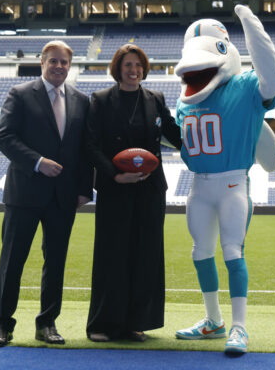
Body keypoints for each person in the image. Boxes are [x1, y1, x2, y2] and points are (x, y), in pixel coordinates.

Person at [173, 6, 275, 355]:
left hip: (234, 184)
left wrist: (252, 28)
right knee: (200, 252)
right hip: (199, 186)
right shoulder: (184, 101)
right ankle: (214, 320)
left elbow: (272, 81)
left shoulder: (245, 86)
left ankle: (240, 327)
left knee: (233, 252)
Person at [0, 40, 93, 348]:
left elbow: (85, 150)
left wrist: (85, 189)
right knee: (13, 260)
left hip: (64, 197)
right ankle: (2, 325)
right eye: (54, 61)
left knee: (56, 262)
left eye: (64, 62)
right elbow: (4, 137)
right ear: (42, 63)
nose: (59, 67)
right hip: (24, 194)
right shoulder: (20, 95)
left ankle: (47, 323)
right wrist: (37, 162)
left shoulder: (81, 100)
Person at [85, 44, 182, 343]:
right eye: (128, 65)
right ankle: (103, 324)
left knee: (146, 255)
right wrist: (115, 174)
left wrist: (203, 125)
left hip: (150, 189)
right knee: (112, 255)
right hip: (116, 188)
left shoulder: (156, 99)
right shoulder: (100, 101)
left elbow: (175, 136)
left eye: (138, 65)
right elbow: (90, 146)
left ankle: (135, 323)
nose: (134, 70)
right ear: (118, 68)